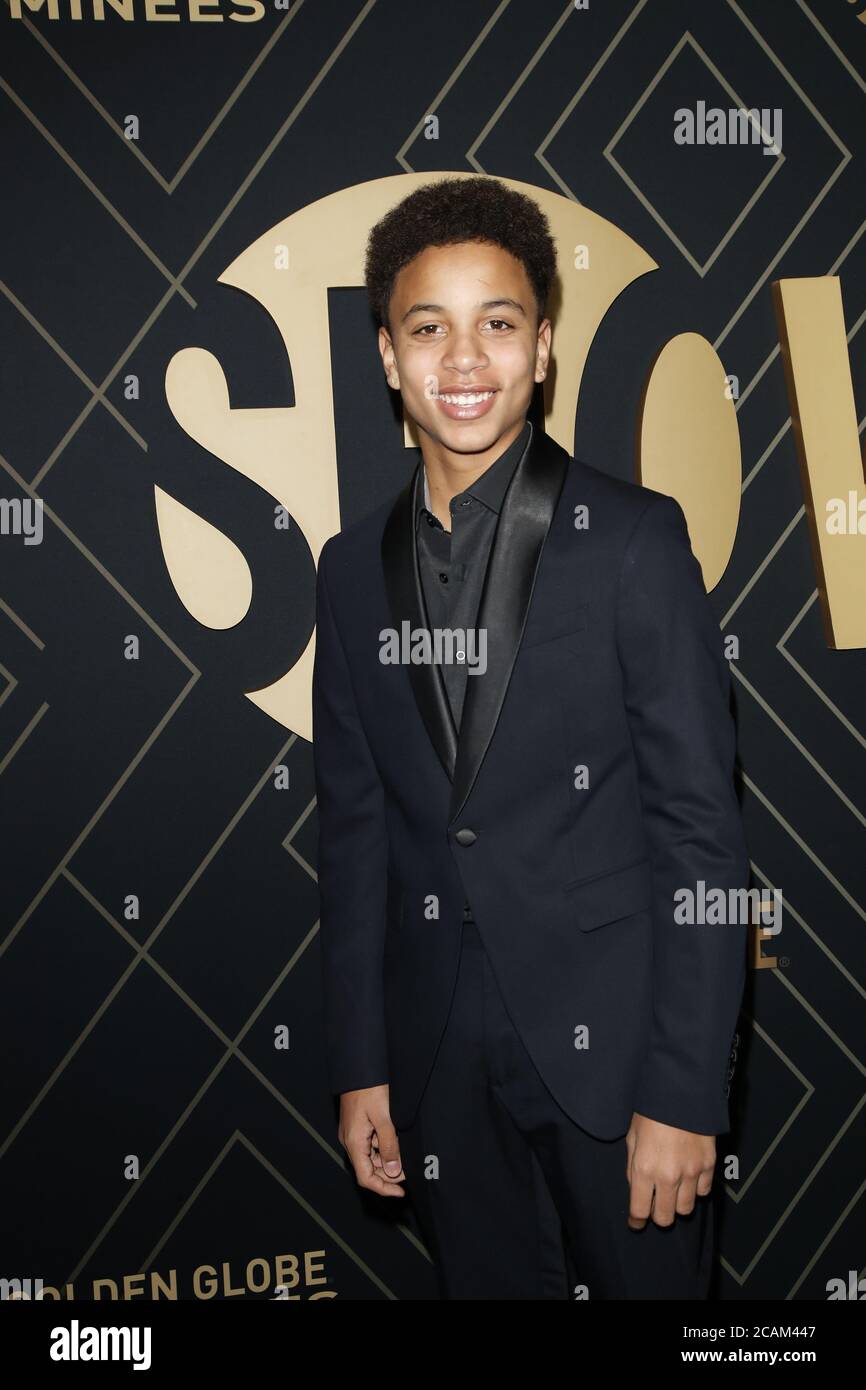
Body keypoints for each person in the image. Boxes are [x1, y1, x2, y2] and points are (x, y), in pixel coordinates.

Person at [312, 175, 748, 1300]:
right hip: (437, 1063)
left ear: (542, 346)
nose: (463, 360)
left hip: (623, 1073)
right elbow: (357, 835)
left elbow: (699, 834)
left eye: (496, 324)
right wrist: (363, 1067)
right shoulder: (348, 574)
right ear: (384, 353)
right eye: (428, 327)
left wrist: (686, 1091)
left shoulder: (633, 543)